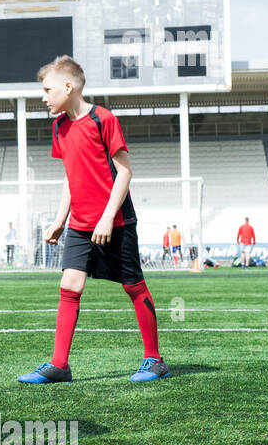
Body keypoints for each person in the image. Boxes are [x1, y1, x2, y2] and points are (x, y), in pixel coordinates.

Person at [17, 56, 170, 385]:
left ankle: (155, 359)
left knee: (133, 286)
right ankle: (60, 365)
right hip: (80, 226)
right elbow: (70, 177)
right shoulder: (59, 127)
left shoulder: (103, 119)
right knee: (69, 285)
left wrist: (107, 217)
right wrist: (61, 219)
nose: (43, 98)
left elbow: (125, 171)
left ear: (68, 87)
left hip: (116, 223)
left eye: (47, 90)